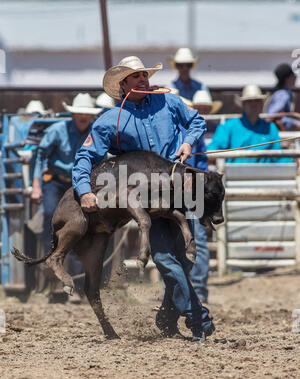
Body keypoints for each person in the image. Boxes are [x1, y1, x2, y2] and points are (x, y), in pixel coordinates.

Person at [72, 56, 215, 342]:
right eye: (136, 76)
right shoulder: (110, 120)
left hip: (181, 189)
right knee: (165, 258)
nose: (143, 80)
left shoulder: (169, 102)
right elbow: (85, 156)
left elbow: (196, 120)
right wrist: (84, 190)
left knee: (183, 264)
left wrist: (188, 141)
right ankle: (200, 319)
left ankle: (166, 317)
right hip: (149, 200)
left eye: (144, 75)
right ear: (123, 84)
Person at [31, 93, 102, 302]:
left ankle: (76, 287)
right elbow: (40, 156)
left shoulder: (95, 134)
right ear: (73, 114)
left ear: (91, 116)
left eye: (86, 113)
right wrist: (36, 185)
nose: (83, 116)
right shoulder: (57, 130)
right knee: (52, 223)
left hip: (81, 185)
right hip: (56, 181)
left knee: (83, 230)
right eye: (80, 112)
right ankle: (52, 281)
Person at [184, 90, 223, 303]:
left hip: (193, 188)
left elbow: (202, 164)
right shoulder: (192, 130)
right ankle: (177, 288)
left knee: (197, 236)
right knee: (177, 237)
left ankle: (198, 289)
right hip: (174, 188)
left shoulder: (194, 130)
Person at [208, 84, 293, 164]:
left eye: (257, 101)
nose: (254, 104)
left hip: (265, 177)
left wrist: (292, 161)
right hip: (234, 177)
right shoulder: (228, 126)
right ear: (243, 104)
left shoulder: (271, 128)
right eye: (249, 101)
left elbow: (278, 157)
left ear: (262, 103)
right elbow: (214, 148)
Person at [265, 63, 300, 131]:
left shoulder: (283, 93)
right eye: (293, 75)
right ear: (287, 78)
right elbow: (271, 115)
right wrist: (293, 115)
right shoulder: (283, 94)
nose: (296, 77)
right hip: (279, 132)